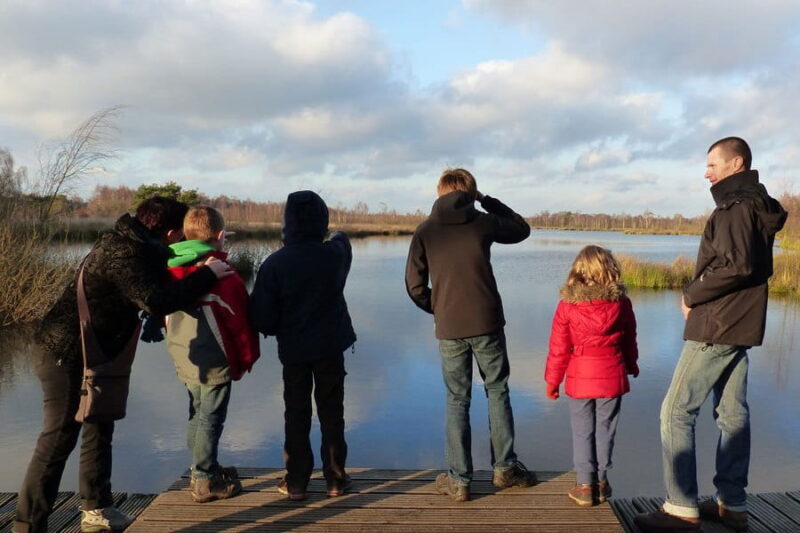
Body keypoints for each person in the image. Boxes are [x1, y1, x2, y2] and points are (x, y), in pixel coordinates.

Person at [14, 197, 232, 533]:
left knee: (100, 425)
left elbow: (160, 286)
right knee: (58, 438)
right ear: (171, 232)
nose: (181, 243)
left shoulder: (141, 248)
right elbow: (155, 299)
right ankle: (28, 525)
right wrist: (209, 274)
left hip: (96, 352)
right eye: (180, 237)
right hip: (65, 353)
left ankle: (97, 508)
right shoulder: (124, 253)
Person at [635, 137, 787, 533]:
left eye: (712, 165)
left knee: (675, 411)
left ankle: (680, 508)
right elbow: (747, 266)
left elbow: (737, 267)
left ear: (735, 163)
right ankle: (731, 504)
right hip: (739, 325)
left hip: (717, 325)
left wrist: (691, 293)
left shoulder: (736, 208)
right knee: (733, 413)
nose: (706, 172)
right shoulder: (755, 205)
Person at [405, 168, 536, 503]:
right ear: (470, 193)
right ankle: (505, 468)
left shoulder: (425, 230)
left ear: (439, 192)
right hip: (487, 323)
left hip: (450, 328)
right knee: (497, 391)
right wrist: (486, 200)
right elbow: (521, 227)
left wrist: (440, 307)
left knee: (456, 400)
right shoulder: (482, 222)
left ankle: (459, 481)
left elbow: (415, 286)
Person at [250, 191, 355, 501]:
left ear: (287, 222)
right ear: (321, 219)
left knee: (296, 413)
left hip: (294, 350)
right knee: (332, 412)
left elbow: (263, 318)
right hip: (330, 347)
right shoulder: (335, 254)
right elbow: (342, 240)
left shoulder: (274, 264)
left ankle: (296, 482)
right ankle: (335, 480)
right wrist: (335, 233)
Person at [164, 206, 260, 503]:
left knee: (197, 412)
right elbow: (241, 324)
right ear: (220, 236)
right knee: (211, 418)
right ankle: (204, 480)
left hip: (185, 356)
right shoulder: (225, 277)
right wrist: (246, 359)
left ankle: (203, 468)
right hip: (216, 359)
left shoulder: (167, 271)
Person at [544, 245, 639, 507]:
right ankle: (602, 482)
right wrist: (632, 365)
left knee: (582, 431)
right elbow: (630, 339)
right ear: (610, 269)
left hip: (579, 377)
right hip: (612, 375)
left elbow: (558, 348)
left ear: (577, 270)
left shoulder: (567, 306)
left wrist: (553, 382)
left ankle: (585, 486)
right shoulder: (622, 304)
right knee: (605, 430)